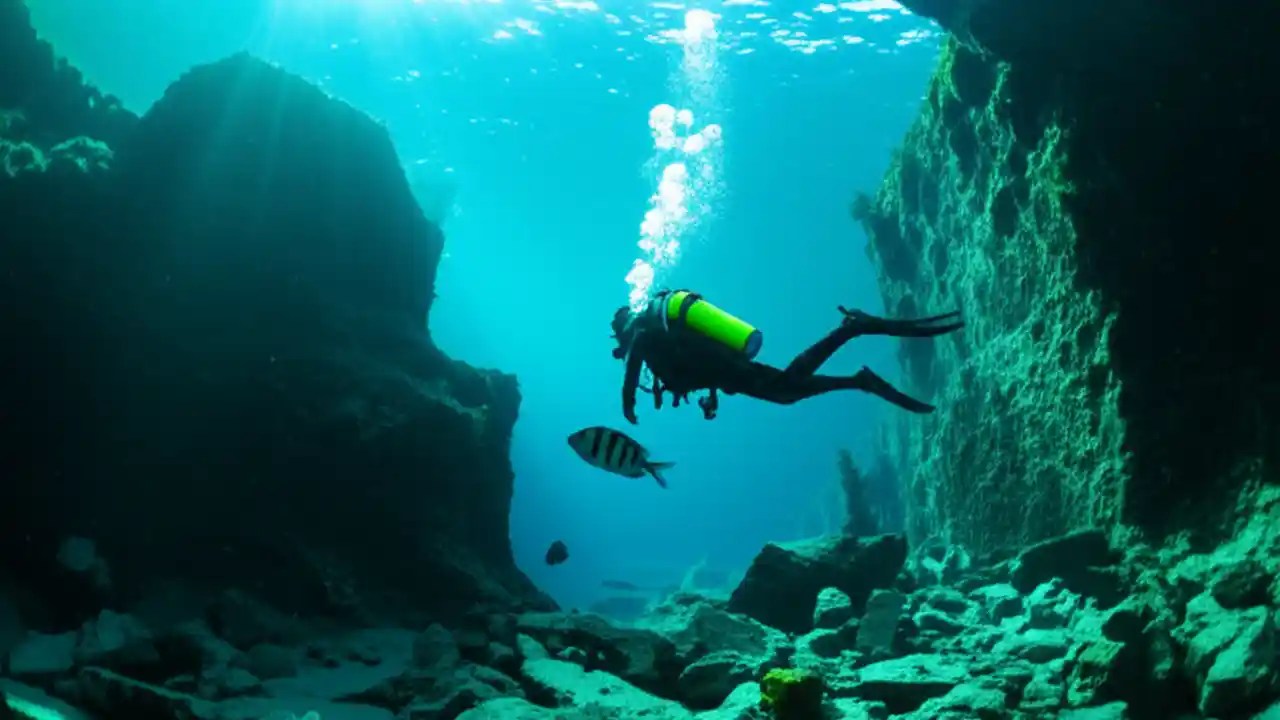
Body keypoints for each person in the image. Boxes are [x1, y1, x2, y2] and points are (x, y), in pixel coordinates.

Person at [611, 289, 963, 423]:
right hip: (723, 370)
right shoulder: (656, 333)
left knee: (786, 388)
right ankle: (859, 377)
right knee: (786, 391)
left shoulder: (643, 332)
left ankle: (852, 331)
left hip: (725, 367)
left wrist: (628, 399)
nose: (623, 348)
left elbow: (642, 349)